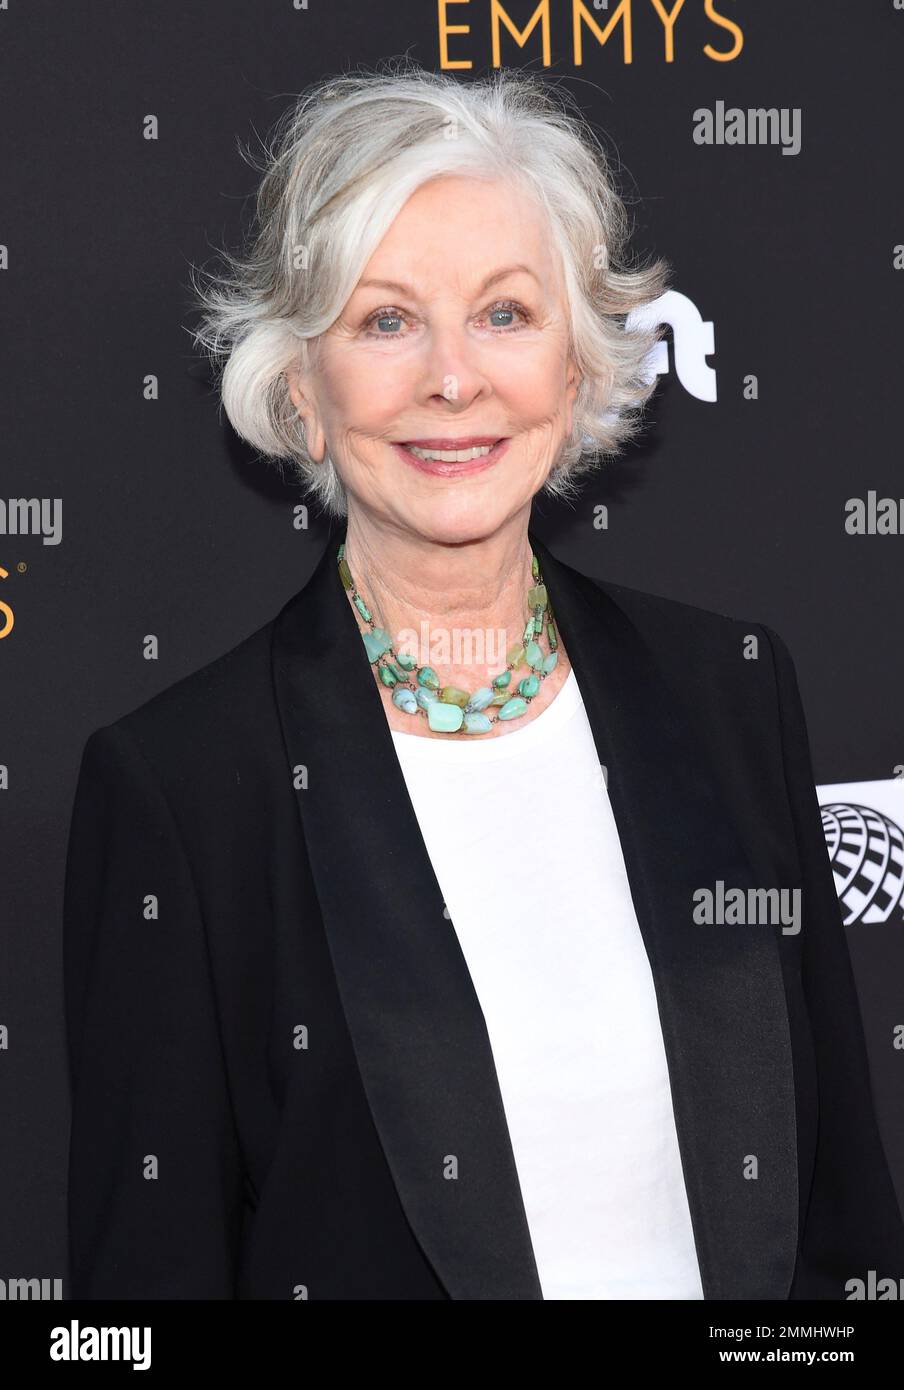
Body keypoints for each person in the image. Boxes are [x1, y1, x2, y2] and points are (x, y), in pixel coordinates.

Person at [64, 62, 904, 1300]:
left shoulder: (728, 690)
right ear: (301, 381)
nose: (452, 379)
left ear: (576, 363)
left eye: (506, 314)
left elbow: (841, 1224)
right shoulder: (185, 791)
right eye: (386, 320)